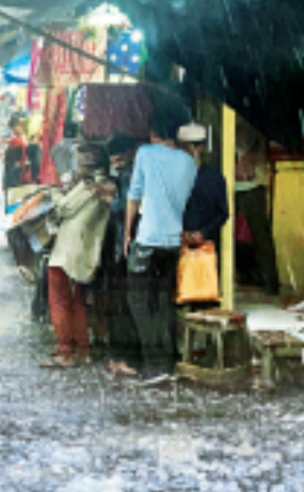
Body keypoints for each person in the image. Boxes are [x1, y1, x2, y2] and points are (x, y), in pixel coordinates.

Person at [123, 105, 199, 384]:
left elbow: (134, 194)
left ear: (153, 131)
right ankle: (168, 362)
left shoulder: (145, 153)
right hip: (173, 242)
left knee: (139, 300)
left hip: (148, 239)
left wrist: (127, 233)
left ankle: (154, 364)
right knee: (164, 301)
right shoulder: (189, 162)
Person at [41, 172, 116, 369]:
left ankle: (65, 352)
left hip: (67, 253)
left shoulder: (90, 185)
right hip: (84, 253)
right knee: (76, 302)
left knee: (58, 301)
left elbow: (64, 208)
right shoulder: (107, 190)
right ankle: (82, 351)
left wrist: (53, 192)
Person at [100, 132, 143, 377]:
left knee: (125, 304)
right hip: (131, 246)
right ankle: (127, 356)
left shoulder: (130, 175)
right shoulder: (133, 171)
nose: (115, 164)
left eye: (118, 159)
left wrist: (108, 197)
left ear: (129, 153)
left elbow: (125, 206)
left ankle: (128, 358)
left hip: (126, 247)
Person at [179, 122, 230, 300]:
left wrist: (203, 233)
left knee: (204, 296)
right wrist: (181, 233)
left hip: (206, 245)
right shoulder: (172, 175)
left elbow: (222, 213)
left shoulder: (213, 177)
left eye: (187, 148)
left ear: (199, 148)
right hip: (177, 242)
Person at [234, 127, 281, 295]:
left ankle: (269, 281)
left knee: (260, 236)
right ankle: (265, 280)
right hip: (242, 185)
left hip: (251, 186)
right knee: (258, 236)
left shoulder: (253, 127)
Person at [0, 116, 30, 205]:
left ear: (19, 126)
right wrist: (0, 154)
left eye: (14, 128)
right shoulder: (17, 140)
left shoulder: (20, 140)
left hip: (16, 172)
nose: (14, 131)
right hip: (12, 170)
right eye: (12, 129)